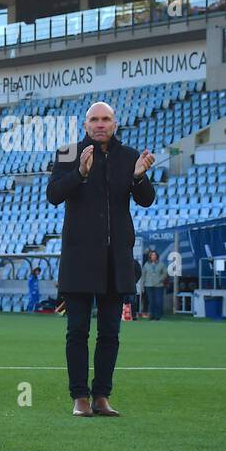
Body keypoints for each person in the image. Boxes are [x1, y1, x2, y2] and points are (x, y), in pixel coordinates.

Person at [46, 101, 156, 417]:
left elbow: (146, 200)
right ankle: (79, 396)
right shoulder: (68, 153)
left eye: (106, 119)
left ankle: (102, 396)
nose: (100, 124)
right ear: (85, 125)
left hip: (116, 259)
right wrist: (79, 173)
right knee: (77, 330)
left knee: (110, 332)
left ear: (115, 123)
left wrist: (138, 177)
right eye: (94, 119)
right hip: (79, 256)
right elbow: (53, 195)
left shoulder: (129, 156)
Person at [141, 249, 167, 320]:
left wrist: (160, 279)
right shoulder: (146, 264)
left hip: (158, 285)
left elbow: (165, 273)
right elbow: (143, 275)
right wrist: (142, 286)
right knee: (151, 301)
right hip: (148, 285)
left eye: (154, 255)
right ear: (150, 256)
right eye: (152, 255)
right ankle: (151, 316)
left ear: (157, 256)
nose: (153, 256)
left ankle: (157, 316)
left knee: (158, 301)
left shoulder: (161, 264)